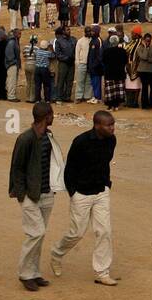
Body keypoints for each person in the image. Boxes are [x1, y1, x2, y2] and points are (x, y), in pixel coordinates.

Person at [50, 111, 119, 287]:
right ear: (97, 125)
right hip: (81, 193)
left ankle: (102, 272)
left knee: (104, 232)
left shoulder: (112, 140)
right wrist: (73, 192)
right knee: (77, 233)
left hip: (101, 192)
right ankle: (57, 253)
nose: (112, 128)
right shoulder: (80, 142)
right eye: (108, 125)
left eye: (113, 124)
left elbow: (105, 163)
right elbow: (69, 169)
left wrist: (106, 185)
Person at [8, 101, 64, 291]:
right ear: (46, 117)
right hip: (31, 195)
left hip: (47, 193)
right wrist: (21, 195)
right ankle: (25, 274)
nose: (53, 117)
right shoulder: (25, 139)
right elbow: (17, 168)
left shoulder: (48, 137)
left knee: (39, 235)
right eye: (52, 114)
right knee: (36, 233)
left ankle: (34, 273)